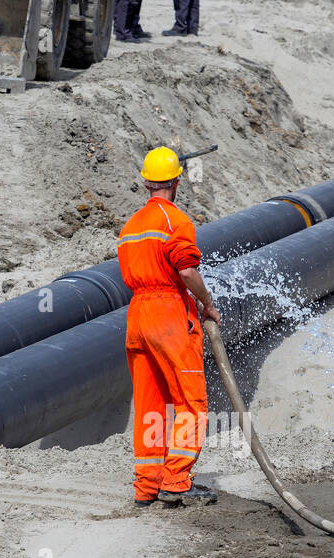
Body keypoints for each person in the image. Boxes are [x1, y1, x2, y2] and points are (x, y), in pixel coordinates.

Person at [117, 147, 221, 507]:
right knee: (192, 402)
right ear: (177, 180)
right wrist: (206, 304)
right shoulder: (175, 220)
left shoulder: (131, 226)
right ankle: (176, 480)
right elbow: (187, 270)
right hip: (168, 314)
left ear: (146, 181)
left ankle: (146, 487)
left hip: (137, 316)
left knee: (150, 405)